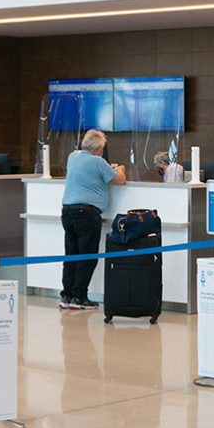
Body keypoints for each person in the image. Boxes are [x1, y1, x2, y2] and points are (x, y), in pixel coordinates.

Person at [60, 129, 126, 309]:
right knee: (87, 256)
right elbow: (120, 180)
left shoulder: (72, 157)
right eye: (102, 148)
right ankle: (80, 297)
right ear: (98, 148)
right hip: (87, 214)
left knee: (71, 255)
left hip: (67, 212)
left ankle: (67, 295)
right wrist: (119, 168)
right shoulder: (98, 162)